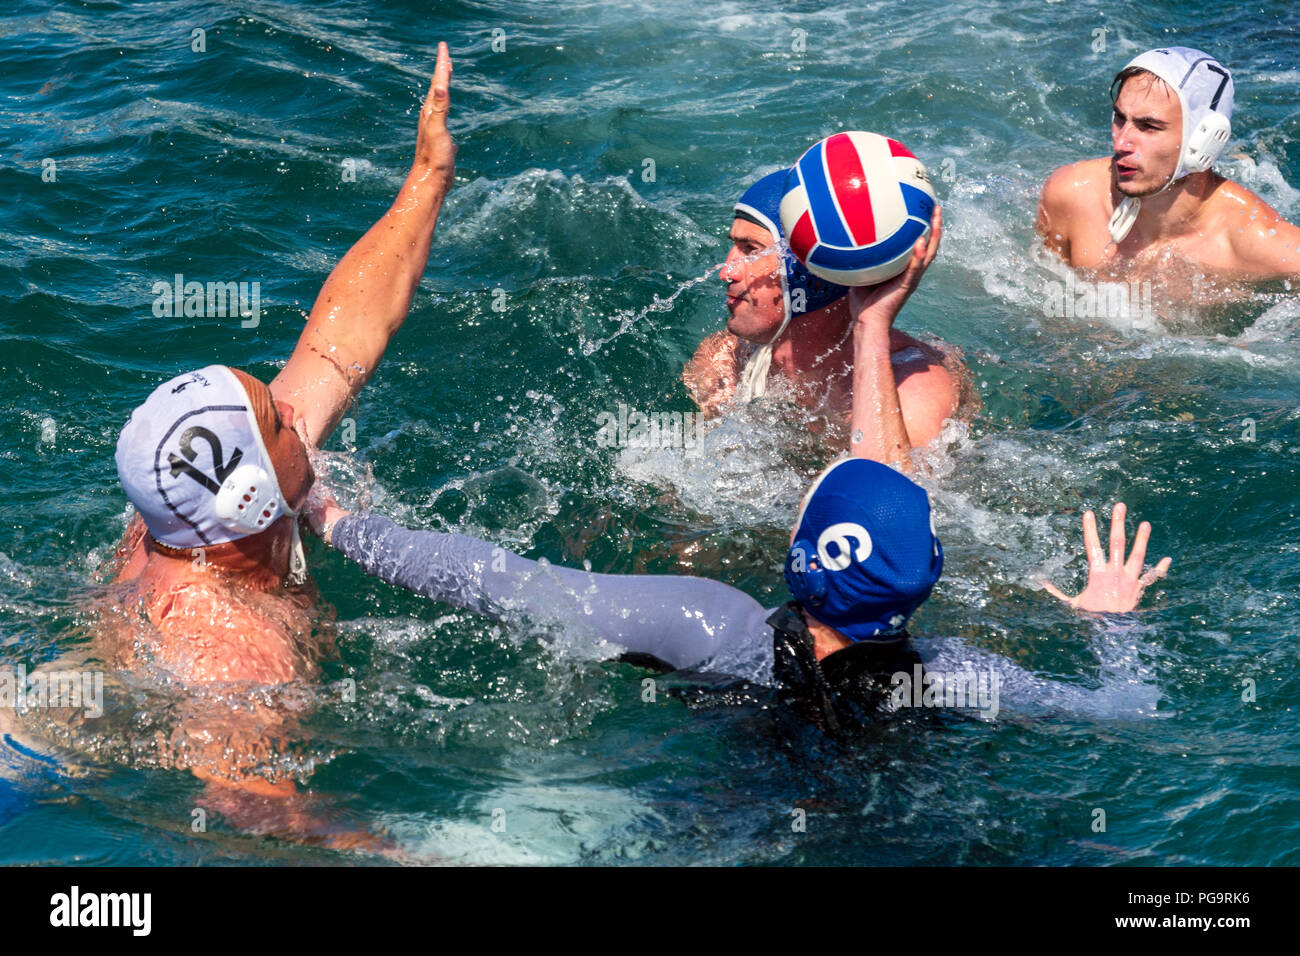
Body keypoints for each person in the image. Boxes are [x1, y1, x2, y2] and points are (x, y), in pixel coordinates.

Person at [79, 43, 458, 849]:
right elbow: (248, 807)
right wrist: (403, 851)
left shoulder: (182, 511)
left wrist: (428, 177)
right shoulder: (235, 653)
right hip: (62, 773)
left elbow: (342, 336)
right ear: (251, 492)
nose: (293, 404)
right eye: (277, 421)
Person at [305, 456, 1172, 734]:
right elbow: (1126, 711)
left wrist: (338, 522)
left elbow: (503, 584)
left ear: (802, 556)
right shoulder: (956, 671)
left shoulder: (717, 626)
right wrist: (1111, 624)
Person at [683, 170, 968, 454]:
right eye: (734, 246)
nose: (726, 272)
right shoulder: (727, 357)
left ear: (805, 269)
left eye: (750, 250)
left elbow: (887, 491)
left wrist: (871, 327)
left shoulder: (914, 388)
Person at [1036, 46, 1300, 281]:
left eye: (1148, 126)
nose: (1121, 143)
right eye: (1119, 118)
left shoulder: (1260, 244)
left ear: (1204, 139)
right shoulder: (1071, 196)